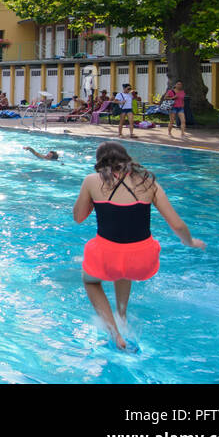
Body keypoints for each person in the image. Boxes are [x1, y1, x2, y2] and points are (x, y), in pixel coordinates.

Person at [74, 141, 205, 350]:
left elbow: (78, 217)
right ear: (126, 159)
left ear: (100, 163)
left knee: (90, 280)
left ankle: (115, 333)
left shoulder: (91, 181)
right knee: (124, 266)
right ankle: (122, 316)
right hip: (142, 257)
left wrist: (94, 201)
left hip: (108, 252)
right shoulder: (148, 182)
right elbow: (177, 224)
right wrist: (190, 242)